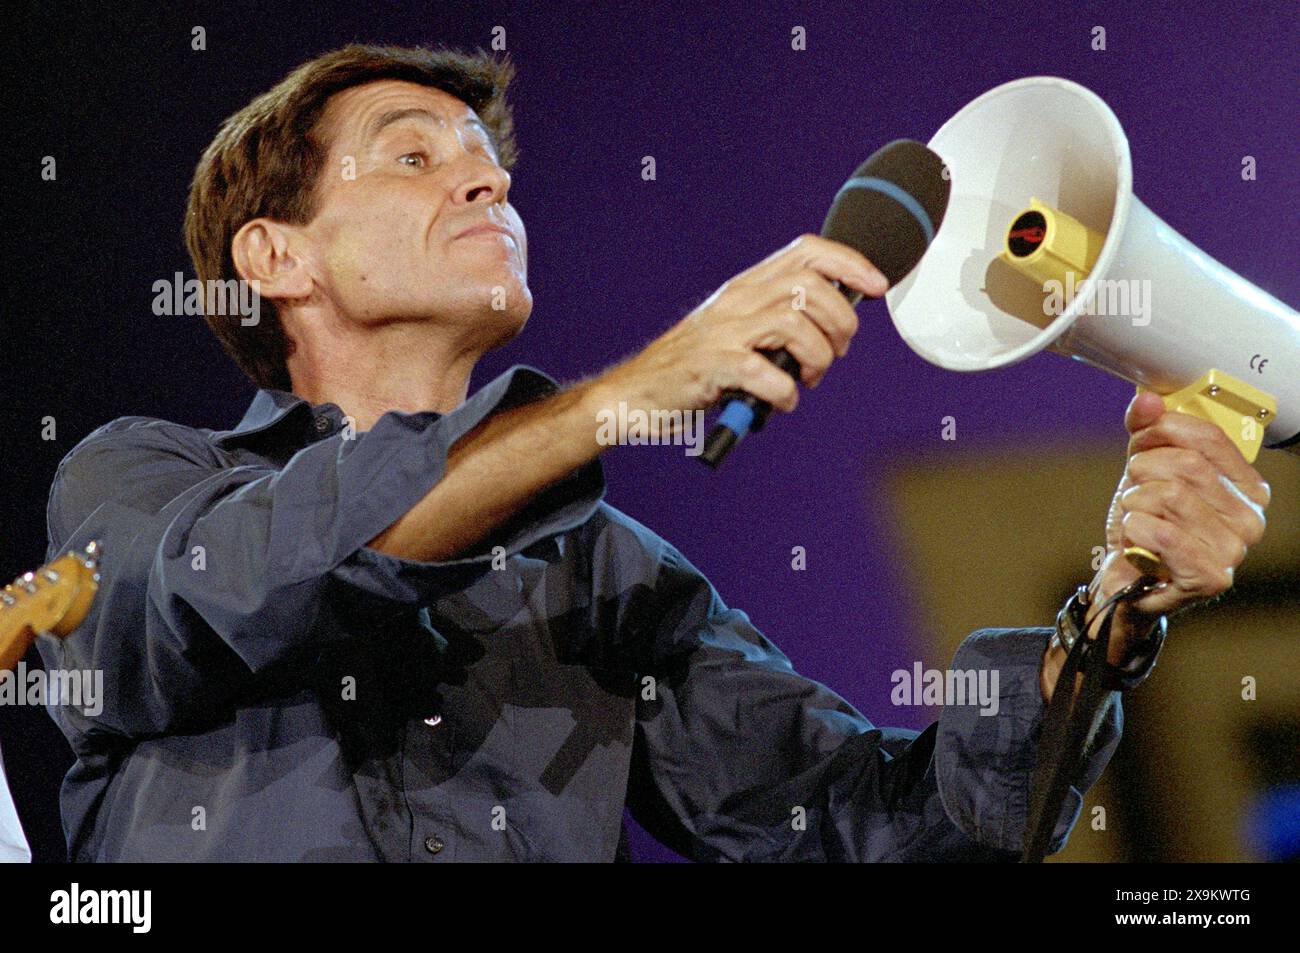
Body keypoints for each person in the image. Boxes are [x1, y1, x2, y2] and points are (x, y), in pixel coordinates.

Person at [40, 44, 1270, 861]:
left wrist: (1111, 607)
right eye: (416, 155)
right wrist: (627, 396)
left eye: (492, 165)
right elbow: (215, 597)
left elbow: (868, 827)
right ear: (275, 259)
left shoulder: (604, 570)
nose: (485, 185)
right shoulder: (144, 478)